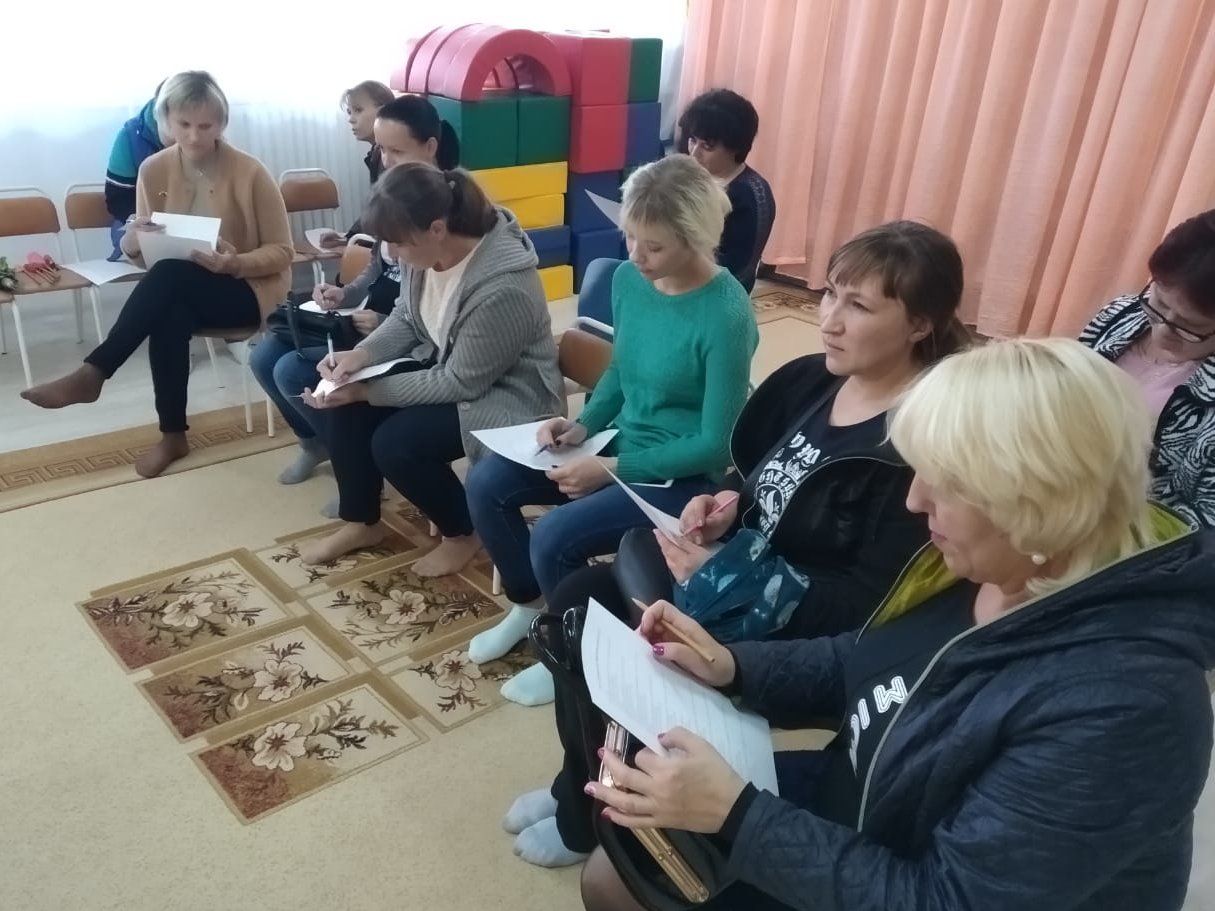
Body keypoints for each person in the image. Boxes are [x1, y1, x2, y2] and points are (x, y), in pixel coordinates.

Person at [578, 337, 1215, 911]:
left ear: (1037, 502)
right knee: (625, 855)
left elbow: (946, 897)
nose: (914, 501)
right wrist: (734, 665)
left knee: (628, 876)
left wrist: (738, 817)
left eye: (945, 483)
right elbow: (870, 659)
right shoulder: (997, 561)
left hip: (906, 869)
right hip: (867, 800)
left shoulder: (1126, 709)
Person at [502, 220, 970, 868]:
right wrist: (721, 505)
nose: (829, 319)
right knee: (579, 608)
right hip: (727, 577)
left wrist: (738, 572)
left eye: (858, 306)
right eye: (830, 294)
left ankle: (583, 815)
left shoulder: (918, 445)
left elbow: (866, 607)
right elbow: (751, 475)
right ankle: (577, 784)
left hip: (786, 628)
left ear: (920, 324)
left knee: (617, 639)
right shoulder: (812, 379)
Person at [462, 154, 759, 705]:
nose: (636, 255)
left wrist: (612, 468)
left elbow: (716, 445)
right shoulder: (630, 279)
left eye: (654, 246)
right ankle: (529, 606)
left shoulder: (726, 313)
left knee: (554, 535)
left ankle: (573, 654)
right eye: (630, 237)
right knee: (487, 483)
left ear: (695, 238)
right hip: (621, 442)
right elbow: (622, 369)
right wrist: (584, 425)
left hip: (681, 475)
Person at [21, 71, 292, 479]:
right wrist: (133, 241)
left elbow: (283, 252)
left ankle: (95, 372)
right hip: (181, 286)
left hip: (247, 289)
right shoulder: (153, 169)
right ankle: (172, 435)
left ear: (222, 123)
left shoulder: (251, 172)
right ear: (166, 121)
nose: (195, 136)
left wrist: (234, 263)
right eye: (184, 124)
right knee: (168, 308)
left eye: (206, 125)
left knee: (168, 280)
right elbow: (146, 257)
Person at [296, 162, 565, 569]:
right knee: (348, 407)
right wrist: (360, 356)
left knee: (397, 444)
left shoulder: (503, 286)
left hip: (508, 396)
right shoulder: (421, 251)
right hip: (452, 369)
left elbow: (461, 382)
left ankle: (463, 532)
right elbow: (407, 317)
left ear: (437, 228)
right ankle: (361, 521)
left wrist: (368, 390)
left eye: (398, 244)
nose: (393, 254)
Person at [252, 94, 462, 495]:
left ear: (430, 147)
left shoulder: (447, 211)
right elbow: (377, 267)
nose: (385, 160)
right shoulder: (395, 192)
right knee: (265, 355)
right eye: (381, 149)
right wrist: (344, 294)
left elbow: (438, 310)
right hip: (372, 321)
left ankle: (355, 468)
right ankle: (318, 444)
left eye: (396, 150)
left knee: (293, 369)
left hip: (402, 334)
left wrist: (383, 325)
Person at [1080, 208, 1215, 529]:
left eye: (1190, 326)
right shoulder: (1121, 314)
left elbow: (1204, 524)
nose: (1163, 330)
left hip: (1127, 534)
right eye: (1160, 303)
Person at [677, 88, 776, 293]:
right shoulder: (692, 174)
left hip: (718, 293)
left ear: (735, 147)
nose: (694, 153)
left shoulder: (750, 196)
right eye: (692, 140)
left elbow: (738, 270)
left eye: (708, 146)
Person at [313, 80, 398, 249]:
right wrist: (348, 236)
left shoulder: (390, 158)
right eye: (349, 112)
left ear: (384, 111)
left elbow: (387, 216)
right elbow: (375, 208)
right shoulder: (375, 153)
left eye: (358, 110)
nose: (351, 119)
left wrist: (355, 240)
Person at [105, 84, 167, 260]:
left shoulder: (203, 138)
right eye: (183, 123)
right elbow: (117, 199)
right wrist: (142, 221)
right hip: (137, 219)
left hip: (190, 223)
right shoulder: (130, 136)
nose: (193, 134)